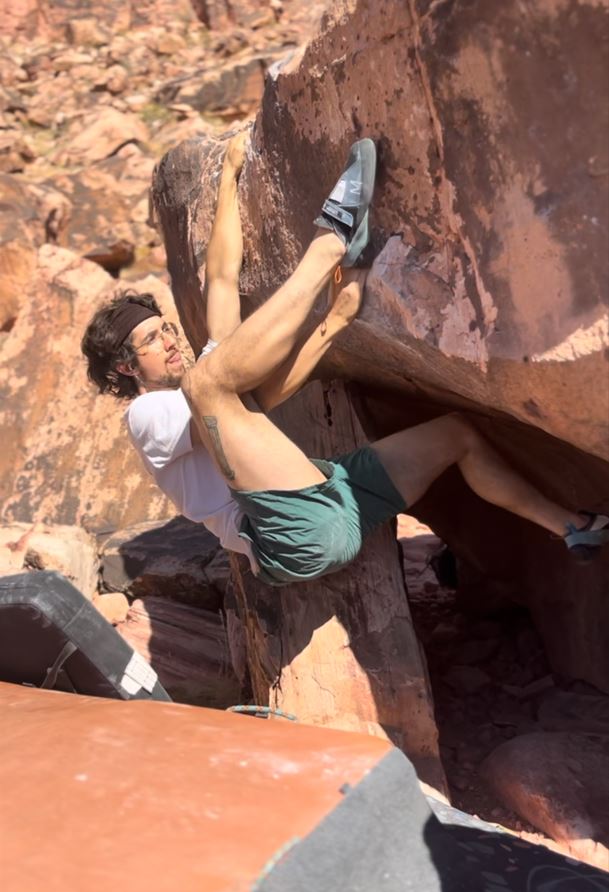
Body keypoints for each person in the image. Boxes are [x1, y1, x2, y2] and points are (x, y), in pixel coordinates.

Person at [82, 134, 609, 586]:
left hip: (334, 499)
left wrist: (228, 178)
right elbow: (240, 395)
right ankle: (330, 241)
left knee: (457, 433)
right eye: (152, 340)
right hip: (286, 536)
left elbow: (221, 279)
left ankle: (572, 527)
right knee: (208, 384)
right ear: (125, 367)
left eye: (166, 328)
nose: (170, 340)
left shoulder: (212, 384)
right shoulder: (145, 417)